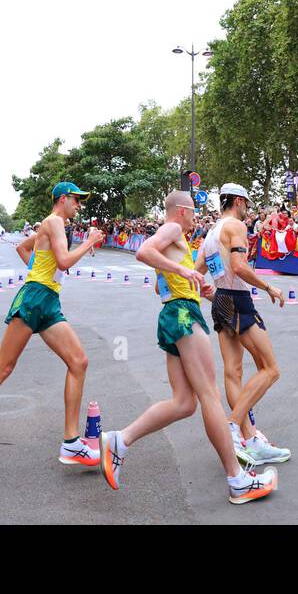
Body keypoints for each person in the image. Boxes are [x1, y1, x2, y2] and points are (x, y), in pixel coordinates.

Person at [99, 190, 278, 505]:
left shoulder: (173, 239)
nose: (196, 218)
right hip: (183, 315)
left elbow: (159, 284)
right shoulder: (171, 229)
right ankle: (237, 480)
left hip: (172, 312)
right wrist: (184, 272)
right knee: (209, 395)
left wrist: (198, 286)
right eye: (193, 212)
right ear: (181, 211)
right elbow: (143, 253)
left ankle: (119, 440)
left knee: (184, 403)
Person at [0, 183, 103, 477]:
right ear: (63, 199)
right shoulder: (54, 221)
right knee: (3, 368)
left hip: (48, 300)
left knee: (79, 362)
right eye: (77, 200)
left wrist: (37, 270)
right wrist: (90, 241)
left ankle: (71, 443)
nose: (79, 206)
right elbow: (65, 261)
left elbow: (23, 247)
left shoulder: (51, 225)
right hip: (34, 299)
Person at [200, 183, 290, 466]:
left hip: (221, 301)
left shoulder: (210, 234)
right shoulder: (235, 227)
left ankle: (249, 440)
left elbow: (195, 275)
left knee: (233, 374)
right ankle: (233, 426)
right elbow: (239, 267)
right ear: (238, 202)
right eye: (247, 206)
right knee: (271, 368)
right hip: (238, 299)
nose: (248, 211)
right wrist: (268, 287)